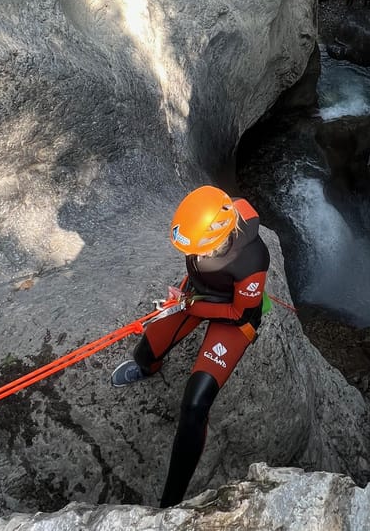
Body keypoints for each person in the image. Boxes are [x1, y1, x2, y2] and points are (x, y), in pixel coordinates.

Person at [111, 185, 270, 508]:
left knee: (195, 405)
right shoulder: (209, 222)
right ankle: (147, 368)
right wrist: (189, 299)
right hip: (197, 294)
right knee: (146, 349)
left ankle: (171, 500)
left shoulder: (252, 259)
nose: (194, 256)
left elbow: (239, 313)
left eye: (200, 250)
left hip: (232, 317)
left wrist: (192, 306)